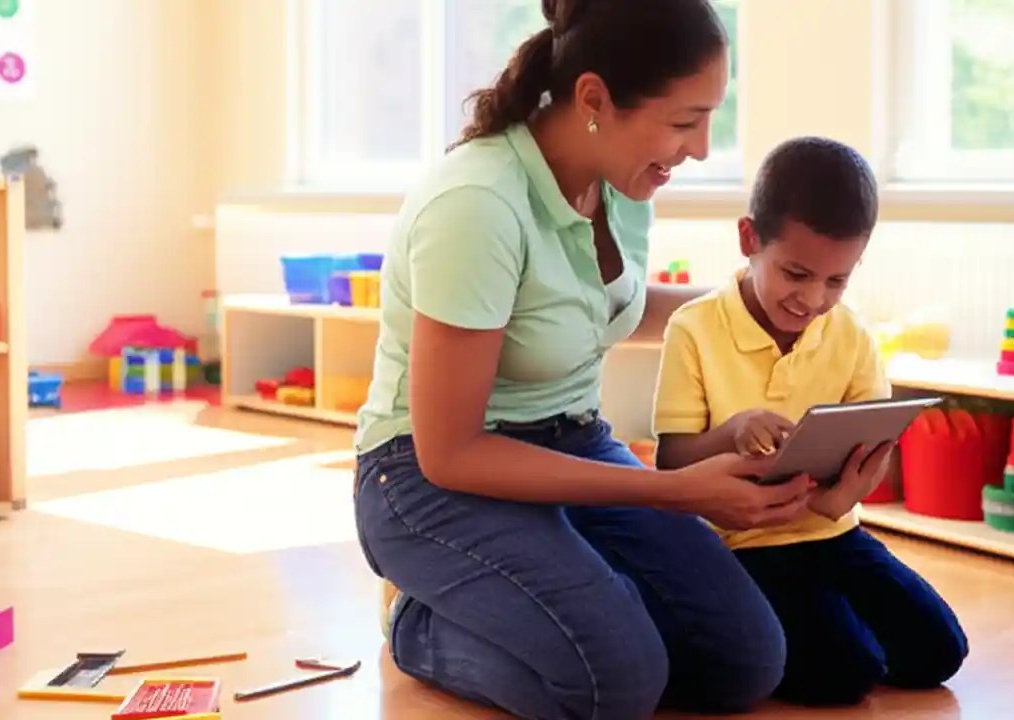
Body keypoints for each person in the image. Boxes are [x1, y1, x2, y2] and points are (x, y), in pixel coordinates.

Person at [350, 2, 849, 718]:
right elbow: (451, 453)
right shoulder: (476, 205)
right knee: (611, 687)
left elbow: (598, 303)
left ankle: (563, 598)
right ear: (594, 99)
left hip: (570, 442)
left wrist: (759, 306)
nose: (703, 147)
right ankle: (418, 623)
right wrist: (680, 491)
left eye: (711, 117)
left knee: (745, 661)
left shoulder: (622, 183)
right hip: (429, 479)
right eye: (684, 122)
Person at [652, 136, 969, 707]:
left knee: (939, 653)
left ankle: (833, 628)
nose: (812, 299)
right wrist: (733, 431)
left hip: (831, 533)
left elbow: (873, 453)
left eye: (835, 281)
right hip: (740, 544)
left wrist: (846, 493)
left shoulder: (851, 335)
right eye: (795, 273)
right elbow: (670, 462)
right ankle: (816, 636)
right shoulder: (693, 328)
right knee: (842, 676)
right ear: (750, 239)